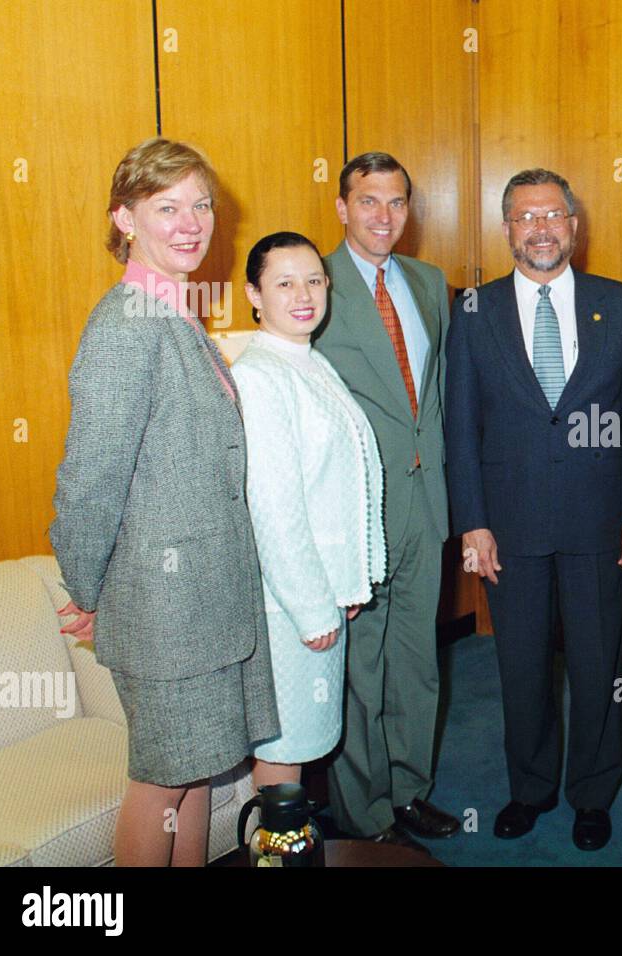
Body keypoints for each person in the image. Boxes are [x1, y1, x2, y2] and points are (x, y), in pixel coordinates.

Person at [50, 138, 279, 866]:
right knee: (160, 783)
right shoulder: (124, 327)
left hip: (201, 606)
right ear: (124, 220)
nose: (191, 223)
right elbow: (89, 480)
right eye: (167, 208)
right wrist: (87, 587)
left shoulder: (175, 317)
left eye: (201, 205)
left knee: (194, 775)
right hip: (165, 612)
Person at [445, 168, 622, 851]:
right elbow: (461, 426)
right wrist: (473, 523)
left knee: (598, 667)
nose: (540, 228)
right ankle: (529, 789)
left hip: (598, 526)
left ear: (574, 224)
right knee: (521, 668)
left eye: (553, 215)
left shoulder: (620, 305)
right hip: (510, 526)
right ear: (506, 230)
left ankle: (593, 793)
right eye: (525, 217)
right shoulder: (472, 310)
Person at [313, 153, 458, 847]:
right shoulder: (315, 284)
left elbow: (436, 398)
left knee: (415, 655)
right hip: (355, 507)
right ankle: (363, 814)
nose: (383, 216)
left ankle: (409, 790)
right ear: (342, 208)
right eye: (368, 201)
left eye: (397, 202)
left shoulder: (430, 283)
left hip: (423, 499)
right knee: (360, 665)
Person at [231, 232, 386, 796]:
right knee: (284, 748)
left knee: (302, 744)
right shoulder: (260, 375)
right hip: (290, 607)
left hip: (323, 595)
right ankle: (275, 856)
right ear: (254, 293)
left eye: (315, 280)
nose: (304, 294)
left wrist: (346, 584)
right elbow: (274, 509)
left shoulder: (308, 360)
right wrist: (313, 609)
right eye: (284, 282)